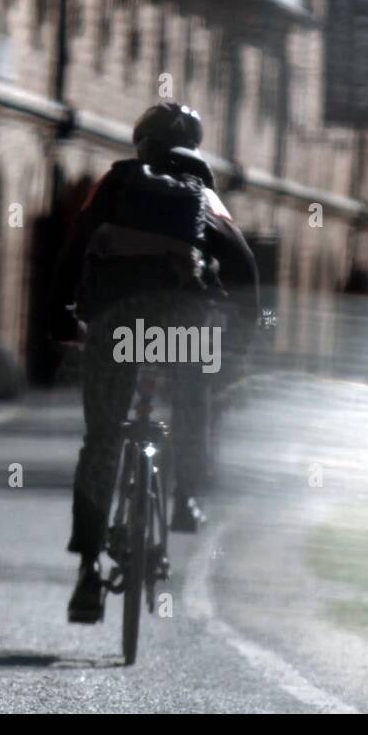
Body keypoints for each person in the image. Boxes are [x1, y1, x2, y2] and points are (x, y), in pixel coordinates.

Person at [50, 102, 260, 623]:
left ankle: (87, 576)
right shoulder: (203, 195)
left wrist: (60, 317)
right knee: (194, 393)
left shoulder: (115, 185)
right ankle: (186, 496)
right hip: (181, 322)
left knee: (101, 439)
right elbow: (242, 266)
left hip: (116, 324)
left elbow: (73, 248)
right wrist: (240, 339)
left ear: (141, 143)